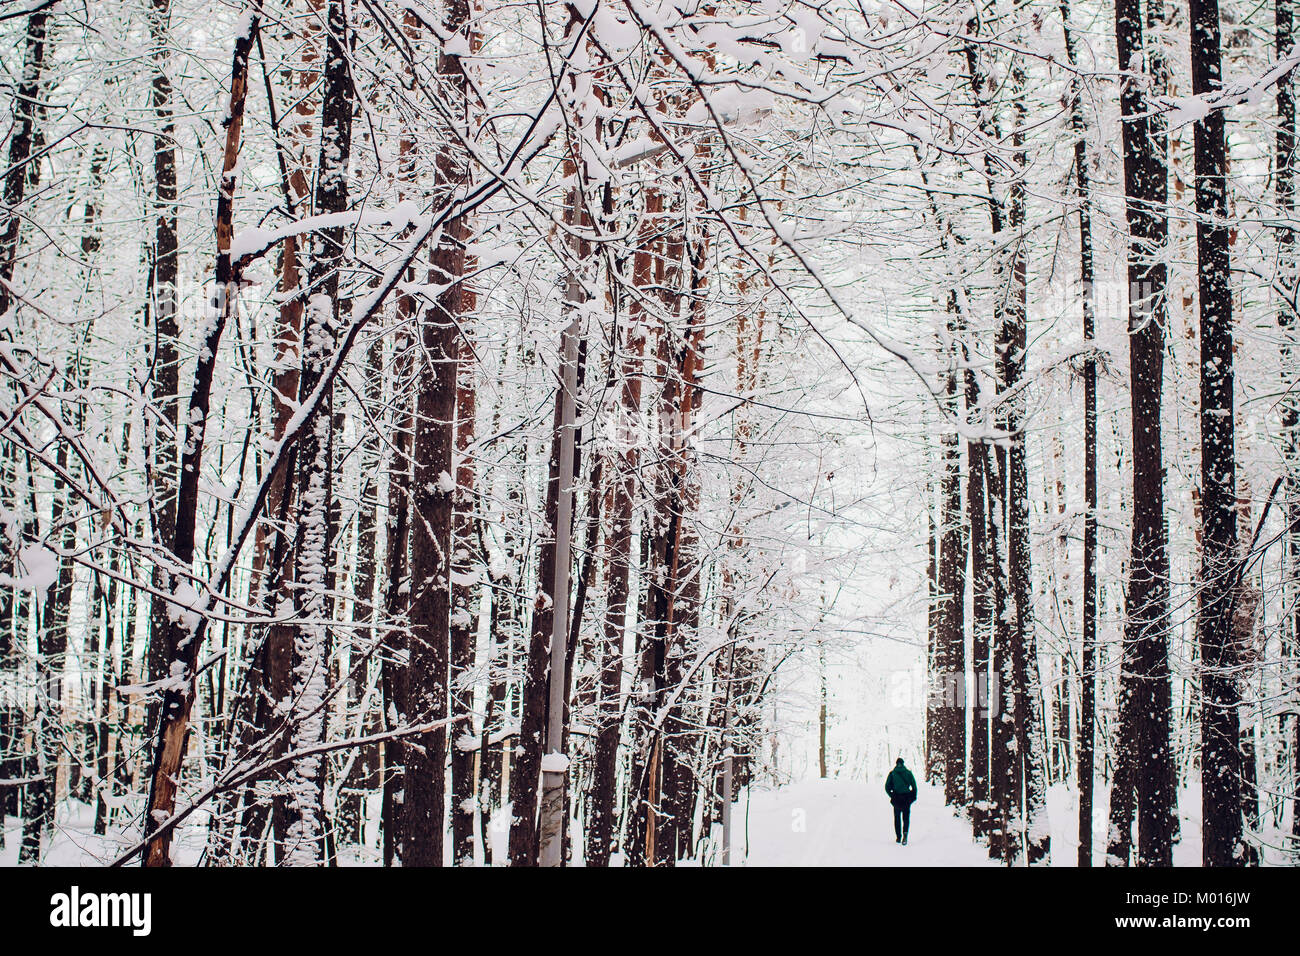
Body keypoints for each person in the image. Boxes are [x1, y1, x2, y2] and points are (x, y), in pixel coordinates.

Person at [884, 757, 917, 845]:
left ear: (896, 764)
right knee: (906, 818)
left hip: (896, 798)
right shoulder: (908, 773)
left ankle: (898, 837)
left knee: (897, 818)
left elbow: (887, 787)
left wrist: (892, 795)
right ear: (903, 763)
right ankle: (905, 833)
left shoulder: (892, 774)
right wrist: (913, 797)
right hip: (906, 798)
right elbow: (914, 786)